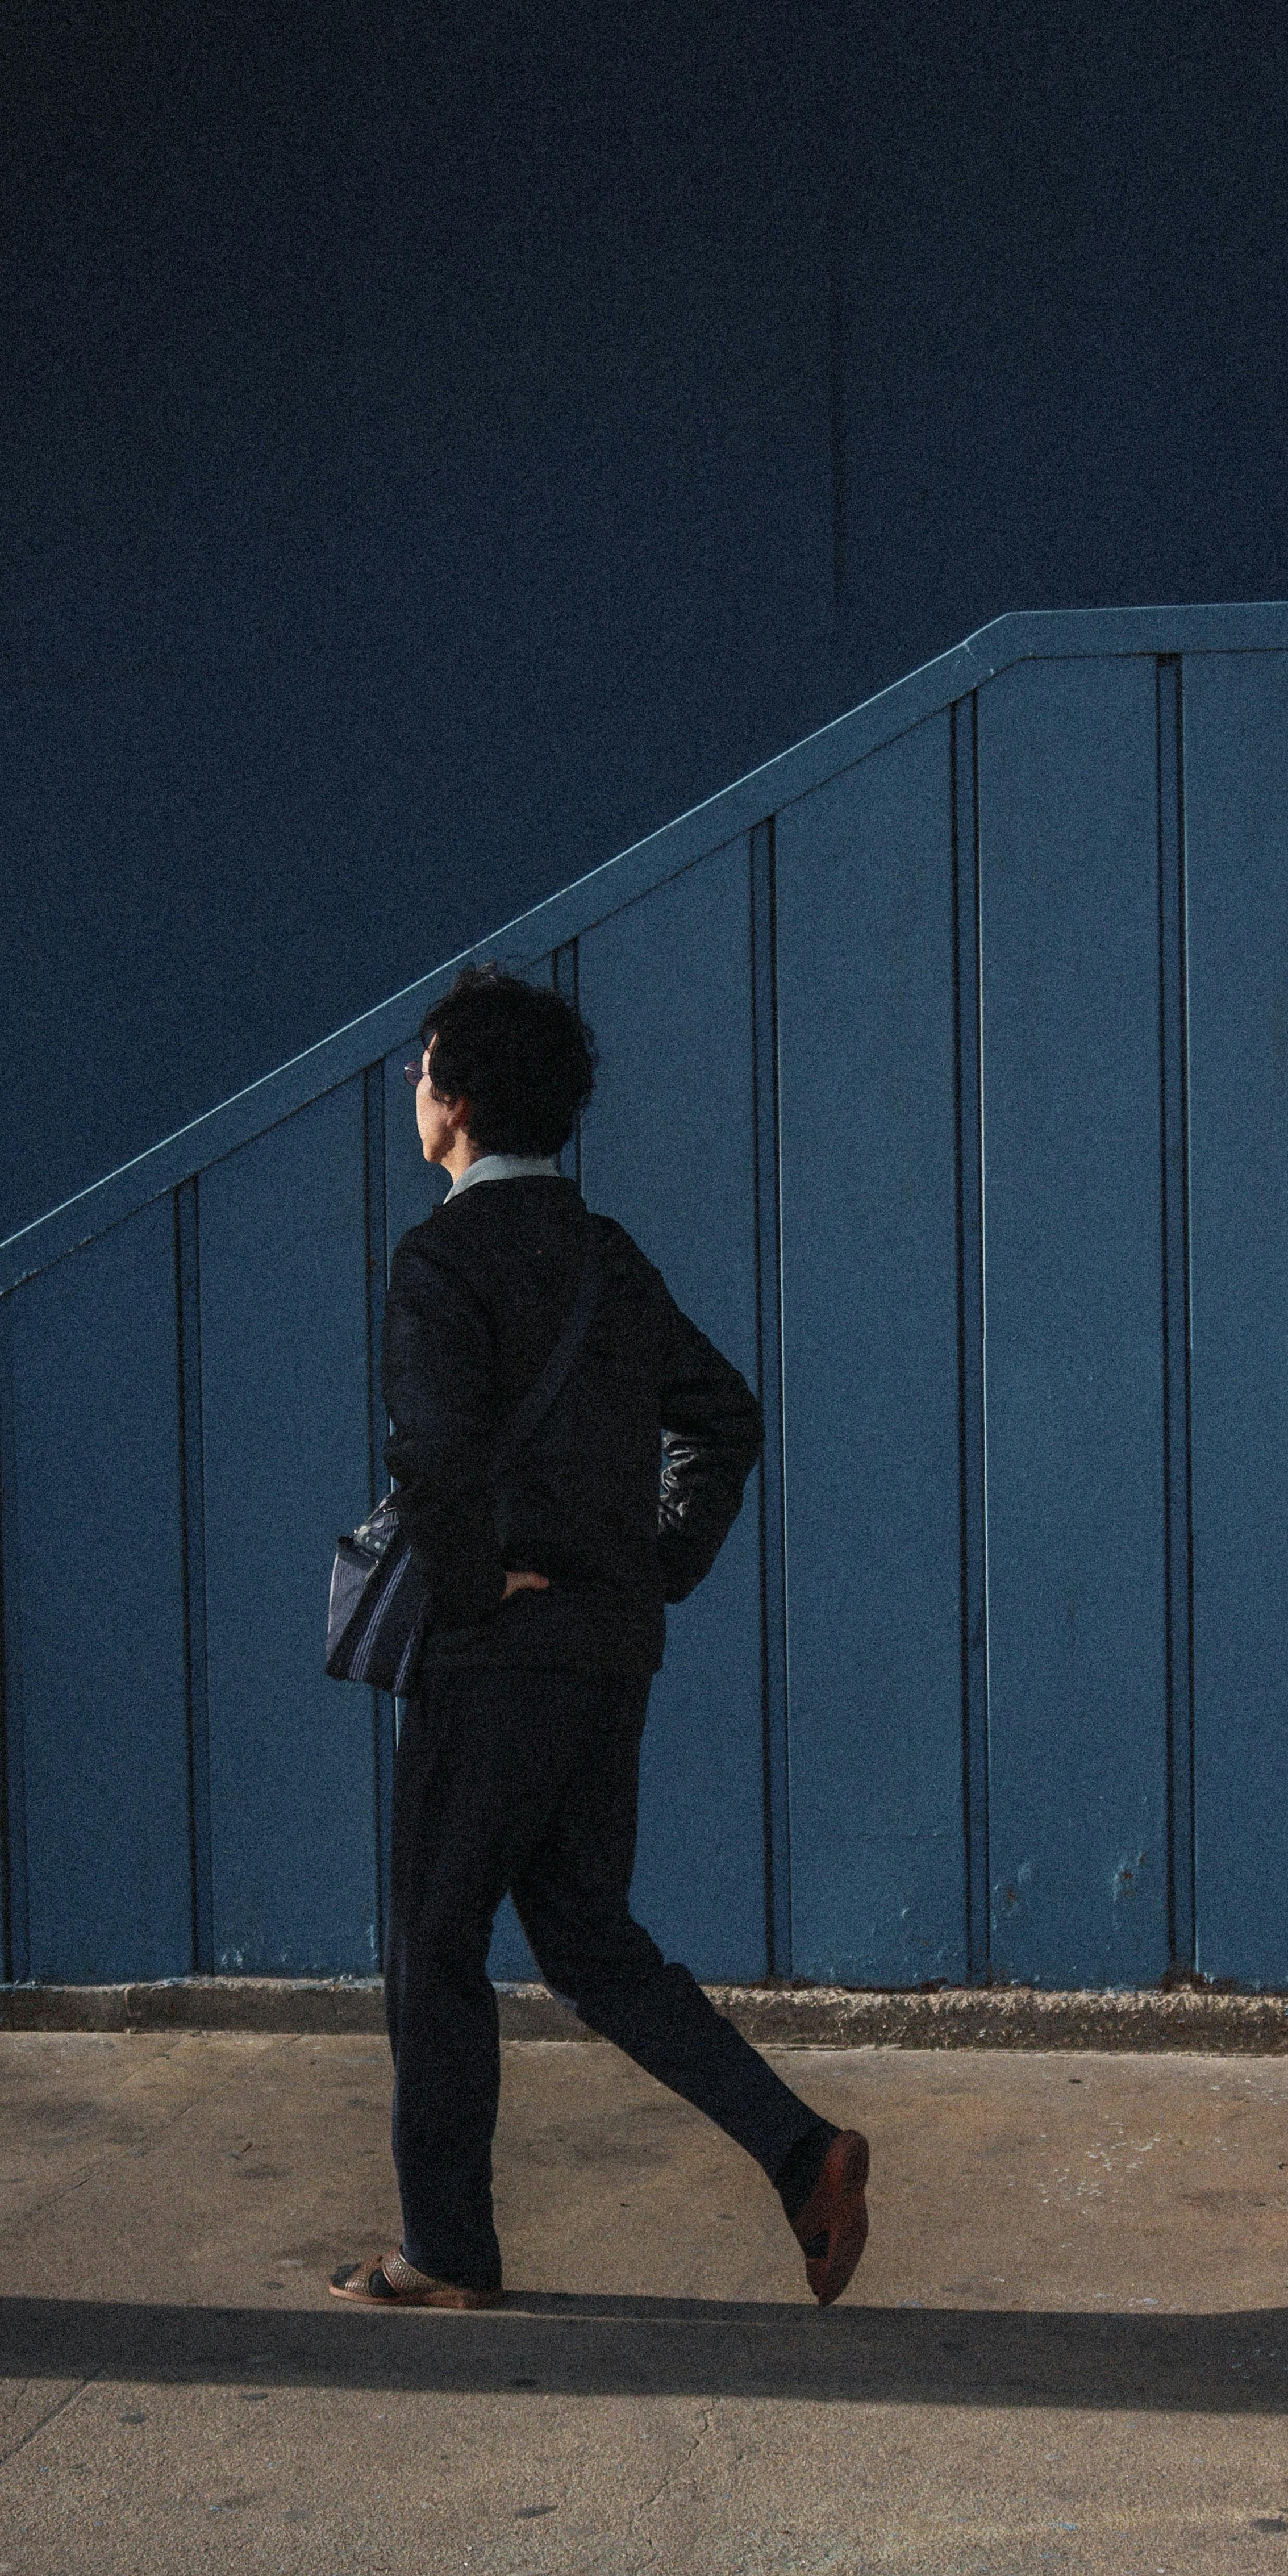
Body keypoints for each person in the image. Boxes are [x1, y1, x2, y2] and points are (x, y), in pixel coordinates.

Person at [328, 963, 869, 2311]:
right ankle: (802, 2152)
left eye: (421, 1070)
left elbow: (435, 1451)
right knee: (584, 1935)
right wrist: (654, 1561)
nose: (412, 1088)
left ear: (453, 1105)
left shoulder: (441, 1258)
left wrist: (469, 1590)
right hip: (608, 1651)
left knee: (434, 1941)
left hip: (496, 1659)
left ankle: (446, 2250)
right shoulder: (608, 1258)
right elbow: (723, 1417)